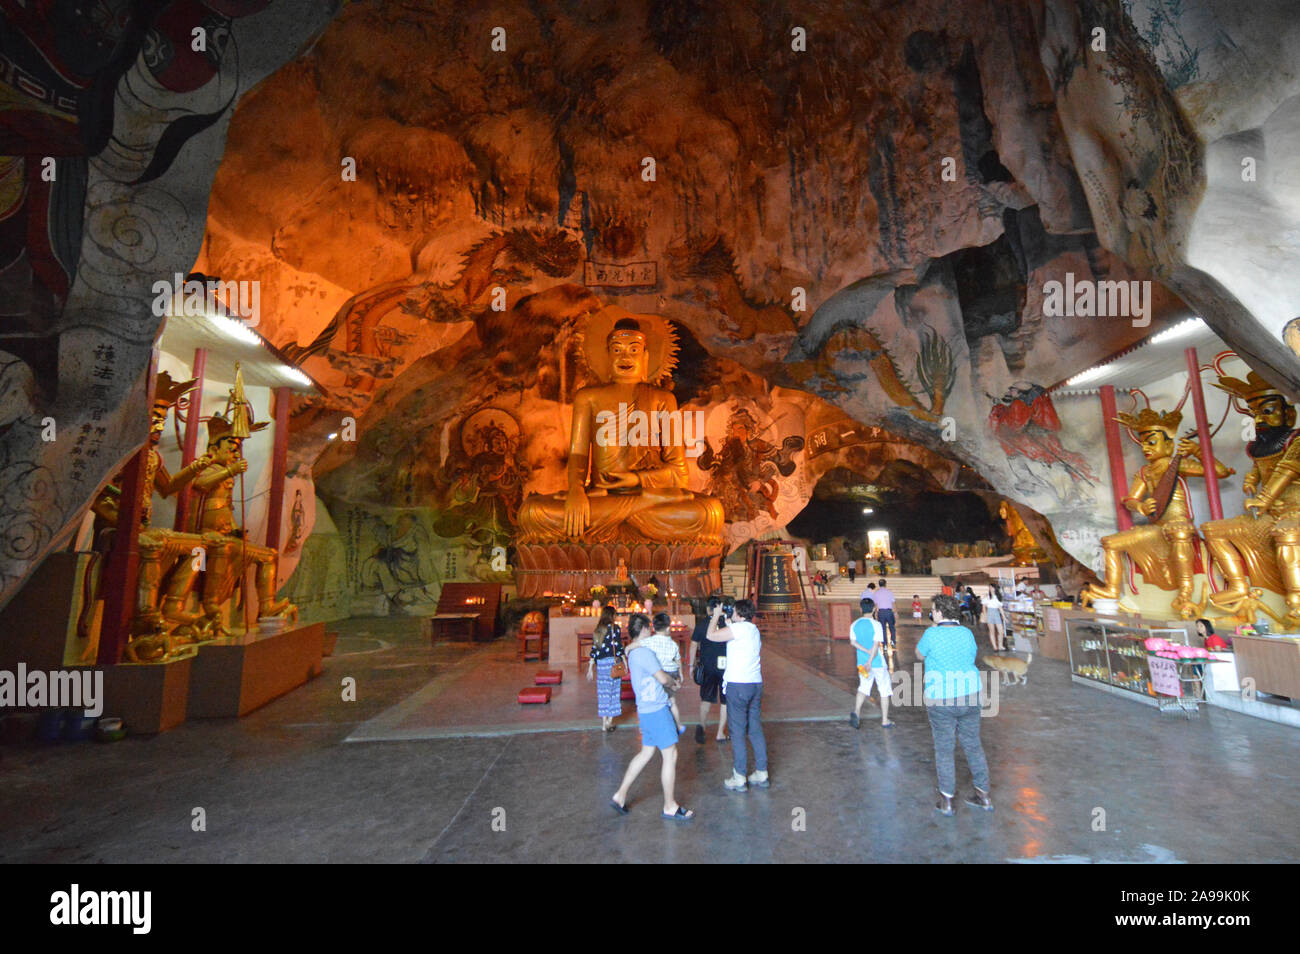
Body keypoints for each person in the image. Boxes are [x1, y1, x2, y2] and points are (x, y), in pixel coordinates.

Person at [611, 613, 694, 821]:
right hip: (657, 709)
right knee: (670, 755)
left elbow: (633, 649)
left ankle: (620, 795)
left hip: (645, 709)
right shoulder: (645, 653)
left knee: (646, 753)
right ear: (646, 630)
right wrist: (673, 684)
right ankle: (670, 806)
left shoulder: (634, 652)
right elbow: (662, 677)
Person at [916, 594, 992, 816]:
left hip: (941, 698)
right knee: (973, 744)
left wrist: (933, 631)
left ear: (939, 612)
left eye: (933, 610)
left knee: (944, 749)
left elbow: (919, 655)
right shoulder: (967, 633)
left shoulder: (931, 633)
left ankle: (947, 801)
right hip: (970, 695)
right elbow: (971, 655)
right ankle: (984, 796)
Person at [707, 597, 767, 791]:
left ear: (739, 614)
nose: (731, 613)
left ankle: (739, 776)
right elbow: (736, 634)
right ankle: (761, 772)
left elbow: (711, 635)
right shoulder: (753, 630)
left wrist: (715, 616)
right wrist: (729, 622)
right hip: (755, 683)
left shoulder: (738, 629)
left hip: (738, 685)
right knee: (755, 728)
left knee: (737, 730)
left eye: (733, 611)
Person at [849, 598, 894, 729]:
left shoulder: (854, 624)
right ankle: (885, 720)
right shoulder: (876, 625)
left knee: (863, 687)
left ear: (861, 609)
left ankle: (857, 712)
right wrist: (870, 660)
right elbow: (876, 645)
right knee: (884, 690)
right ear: (874, 609)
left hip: (862, 665)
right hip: (877, 663)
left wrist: (865, 652)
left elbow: (853, 642)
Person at [691, 596, 729, 744]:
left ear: (708, 609)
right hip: (726, 668)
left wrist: (691, 665)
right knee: (725, 701)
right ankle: (720, 733)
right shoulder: (727, 624)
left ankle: (702, 725)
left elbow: (694, 644)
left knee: (706, 698)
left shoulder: (702, 624)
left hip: (707, 666)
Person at [586, 605, 624, 732]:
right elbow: (618, 647)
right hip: (612, 663)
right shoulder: (615, 629)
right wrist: (625, 661)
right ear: (612, 616)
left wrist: (590, 668)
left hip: (601, 665)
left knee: (603, 692)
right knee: (614, 692)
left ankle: (603, 723)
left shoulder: (598, 629)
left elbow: (594, 649)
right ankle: (609, 721)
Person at [646, 612, 686, 735]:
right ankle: (678, 725)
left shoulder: (650, 641)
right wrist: (681, 673)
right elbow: (678, 660)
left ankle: (660, 727)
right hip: (672, 673)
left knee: (658, 702)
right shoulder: (673, 644)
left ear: (653, 627)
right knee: (672, 701)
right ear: (668, 628)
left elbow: (641, 647)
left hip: (658, 674)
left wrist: (628, 648)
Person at [873, 578, 897, 651]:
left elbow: (876, 604)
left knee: (883, 629)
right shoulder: (890, 592)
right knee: (892, 627)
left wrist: (876, 613)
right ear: (885, 584)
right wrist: (895, 612)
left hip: (881, 612)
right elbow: (893, 603)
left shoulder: (876, 593)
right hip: (889, 612)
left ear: (879, 585)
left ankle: (885, 645)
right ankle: (893, 641)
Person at [984, 587, 1005, 651]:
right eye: (990, 588)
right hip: (989, 613)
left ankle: (1000, 645)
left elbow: (1000, 607)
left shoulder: (998, 597)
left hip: (996, 613)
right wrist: (985, 616)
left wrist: (1003, 616)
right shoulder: (987, 597)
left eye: (992, 587)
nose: (991, 589)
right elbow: (983, 607)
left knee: (1001, 631)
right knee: (992, 631)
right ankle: (995, 647)